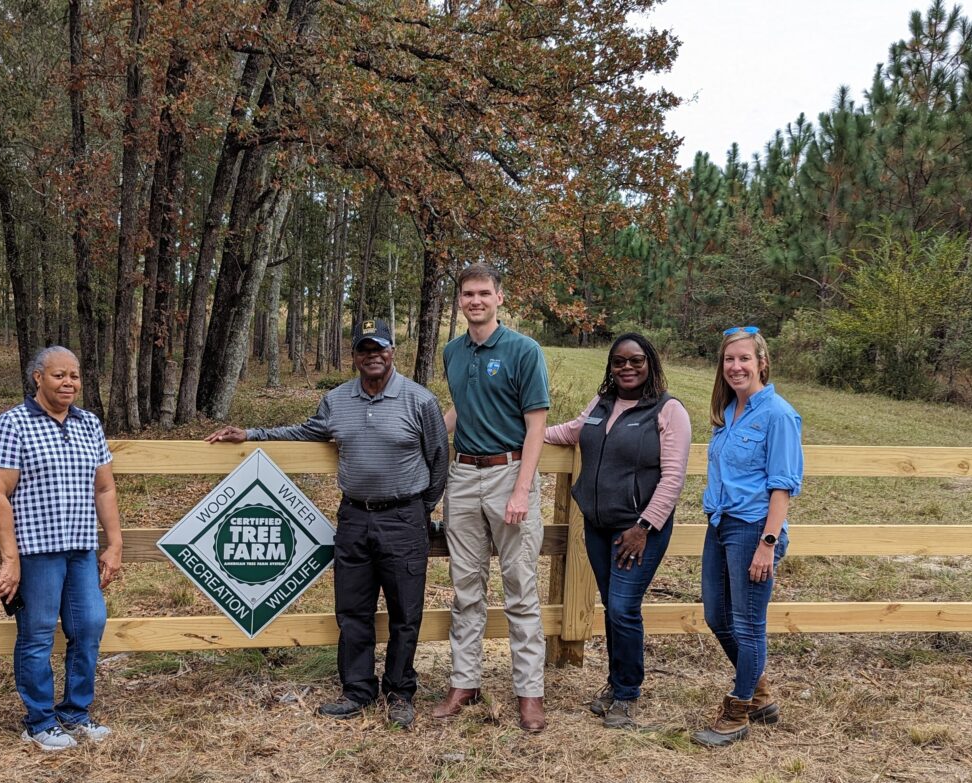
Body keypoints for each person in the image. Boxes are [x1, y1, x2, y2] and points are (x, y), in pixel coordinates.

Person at [207, 320, 448, 728]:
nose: (372, 356)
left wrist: (420, 509)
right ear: (354, 356)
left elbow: (439, 459)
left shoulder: (419, 401)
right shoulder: (337, 400)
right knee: (352, 609)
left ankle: (400, 692)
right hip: (354, 517)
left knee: (405, 612)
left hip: (404, 518)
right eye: (364, 349)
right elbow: (305, 431)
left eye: (380, 348)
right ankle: (357, 690)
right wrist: (251, 433)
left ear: (392, 351)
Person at [543, 332, 690, 729]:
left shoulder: (668, 410)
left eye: (636, 360)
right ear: (610, 367)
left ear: (650, 363)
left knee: (624, 608)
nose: (627, 367)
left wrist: (644, 526)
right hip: (598, 526)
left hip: (638, 531)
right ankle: (616, 682)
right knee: (613, 607)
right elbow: (571, 431)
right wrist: (527, 434)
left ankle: (627, 693)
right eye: (619, 361)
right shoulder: (602, 403)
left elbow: (673, 478)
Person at [0, 347, 123, 752]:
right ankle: (39, 720)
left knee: (90, 625)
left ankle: (75, 712)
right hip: (37, 550)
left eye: (74, 376)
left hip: (81, 547)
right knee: (38, 633)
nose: (68, 383)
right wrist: (10, 558)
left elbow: (104, 487)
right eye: (59, 375)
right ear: (38, 378)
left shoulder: (88, 423)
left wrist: (114, 543)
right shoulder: (14, 423)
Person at [431, 263, 552, 733]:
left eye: (484, 292)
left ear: (499, 297)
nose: (475, 301)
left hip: (509, 474)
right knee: (465, 588)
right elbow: (463, 406)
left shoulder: (524, 351)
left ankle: (529, 693)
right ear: (459, 300)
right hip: (462, 476)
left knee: (520, 588)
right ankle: (465, 682)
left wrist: (522, 489)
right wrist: (426, 434)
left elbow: (536, 426)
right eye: (468, 294)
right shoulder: (453, 351)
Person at [694, 326, 804, 748]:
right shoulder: (729, 412)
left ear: (762, 362)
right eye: (729, 359)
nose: (735, 366)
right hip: (720, 524)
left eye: (744, 358)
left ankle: (738, 710)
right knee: (716, 616)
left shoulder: (778, 414)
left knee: (748, 623)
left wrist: (767, 544)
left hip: (753, 529)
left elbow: (782, 487)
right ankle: (759, 693)